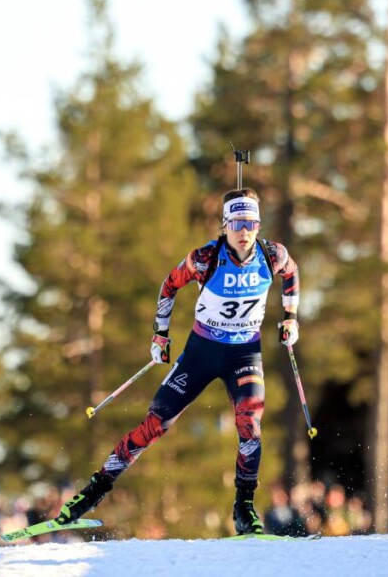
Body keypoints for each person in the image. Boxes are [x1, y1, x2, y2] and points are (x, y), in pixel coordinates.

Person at [54, 187, 300, 535]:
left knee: (250, 425)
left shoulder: (272, 255)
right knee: (154, 424)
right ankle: (93, 491)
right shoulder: (205, 258)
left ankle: (244, 507)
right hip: (201, 351)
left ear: (259, 225)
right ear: (224, 225)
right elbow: (169, 285)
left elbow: (292, 273)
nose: (244, 232)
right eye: (237, 223)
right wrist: (160, 334)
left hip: (245, 353)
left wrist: (290, 316)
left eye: (251, 223)